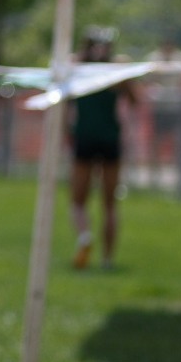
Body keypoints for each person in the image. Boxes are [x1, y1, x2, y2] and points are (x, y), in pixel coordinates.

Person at [68, 29, 138, 270]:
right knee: (109, 204)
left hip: (85, 138)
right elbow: (135, 100)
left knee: (78, 201)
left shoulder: (76, 69)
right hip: (110, 139)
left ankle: (85, 236)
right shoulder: (115, 72)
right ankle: (107, 259)